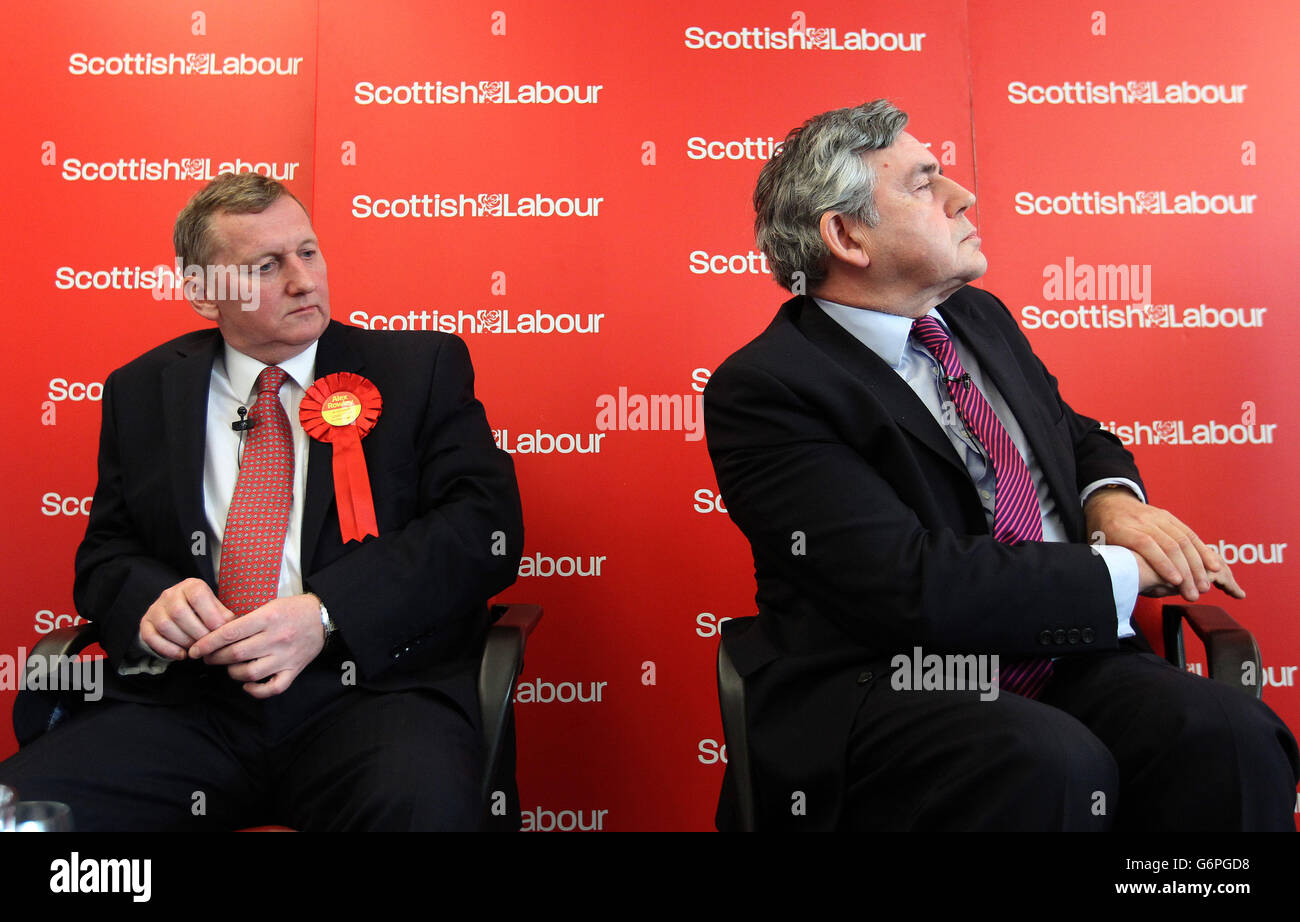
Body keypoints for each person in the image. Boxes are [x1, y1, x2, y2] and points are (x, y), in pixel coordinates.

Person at [704, 99, 1299, 830]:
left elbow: (1076, 437)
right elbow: (906, 586)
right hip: (889, 679)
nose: (963, 196)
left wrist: (1113, 501)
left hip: (1062, 656)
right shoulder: (768, 388)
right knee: (1046, 761)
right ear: (846, 235)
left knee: (1225, 735)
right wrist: (1123, 570)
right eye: (924, 184)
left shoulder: (978, 320)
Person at [1, 172, 523, 830]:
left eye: (307, 252)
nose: (304, 281)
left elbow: (482, 532)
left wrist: (328, 612)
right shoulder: (140, 391)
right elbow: (107, 555)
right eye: (267, 266)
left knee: (422, 808)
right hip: (188, 707)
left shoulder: (420, 369)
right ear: (201, 293)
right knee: (22, 815)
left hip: (368, 698)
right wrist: (151, 603)